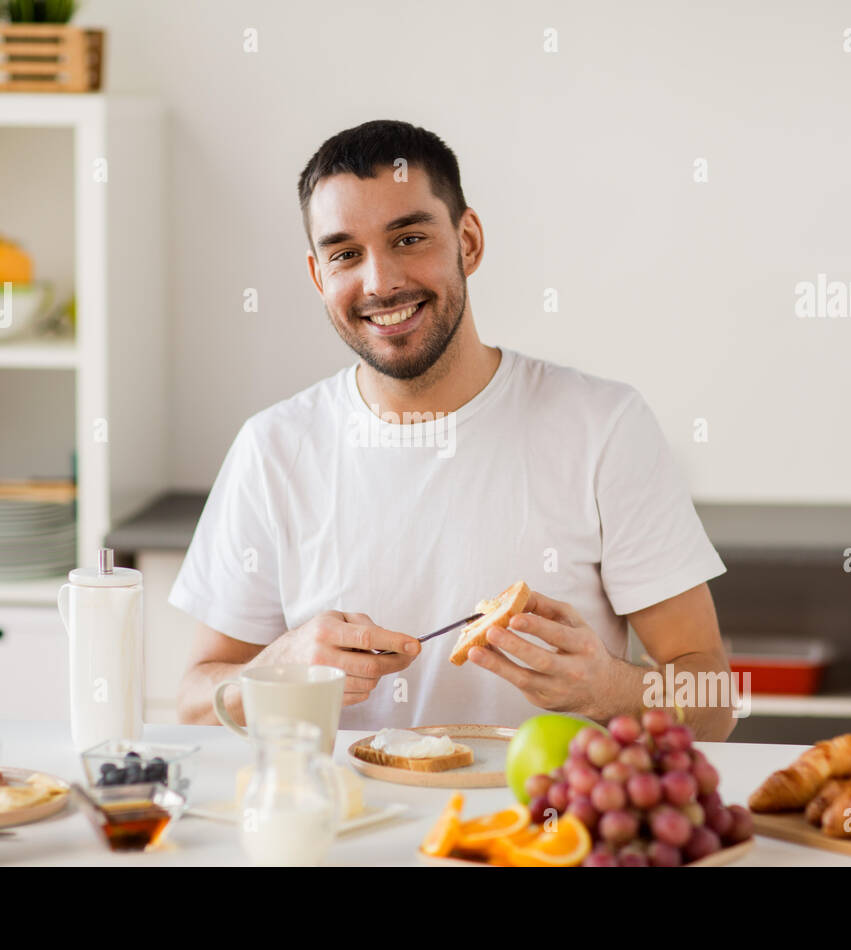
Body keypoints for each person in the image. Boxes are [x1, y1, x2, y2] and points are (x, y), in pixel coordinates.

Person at [172, 119, 735, 741]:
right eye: (345, 254)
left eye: (409, 238)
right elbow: (194, 701)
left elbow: (714, 701)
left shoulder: (604, 426)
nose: (380, 282)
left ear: (467, 241)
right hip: (345, 828)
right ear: (318, 277)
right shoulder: (272, 448)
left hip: (543, 830)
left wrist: (607, 689)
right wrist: (275, 671)